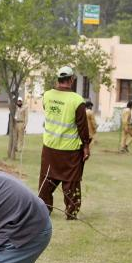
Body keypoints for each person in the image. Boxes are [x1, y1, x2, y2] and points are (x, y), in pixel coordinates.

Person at [38, 66, 91, 220]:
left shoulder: (47, 96)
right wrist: (86, 146)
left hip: (49, 148)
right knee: (71, 182)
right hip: (70, 150)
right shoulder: (77, 100)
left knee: (47, 180)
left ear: (58, 80)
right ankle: (71, 212)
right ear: (72, 80)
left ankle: (43, 210)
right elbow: (82, 127)